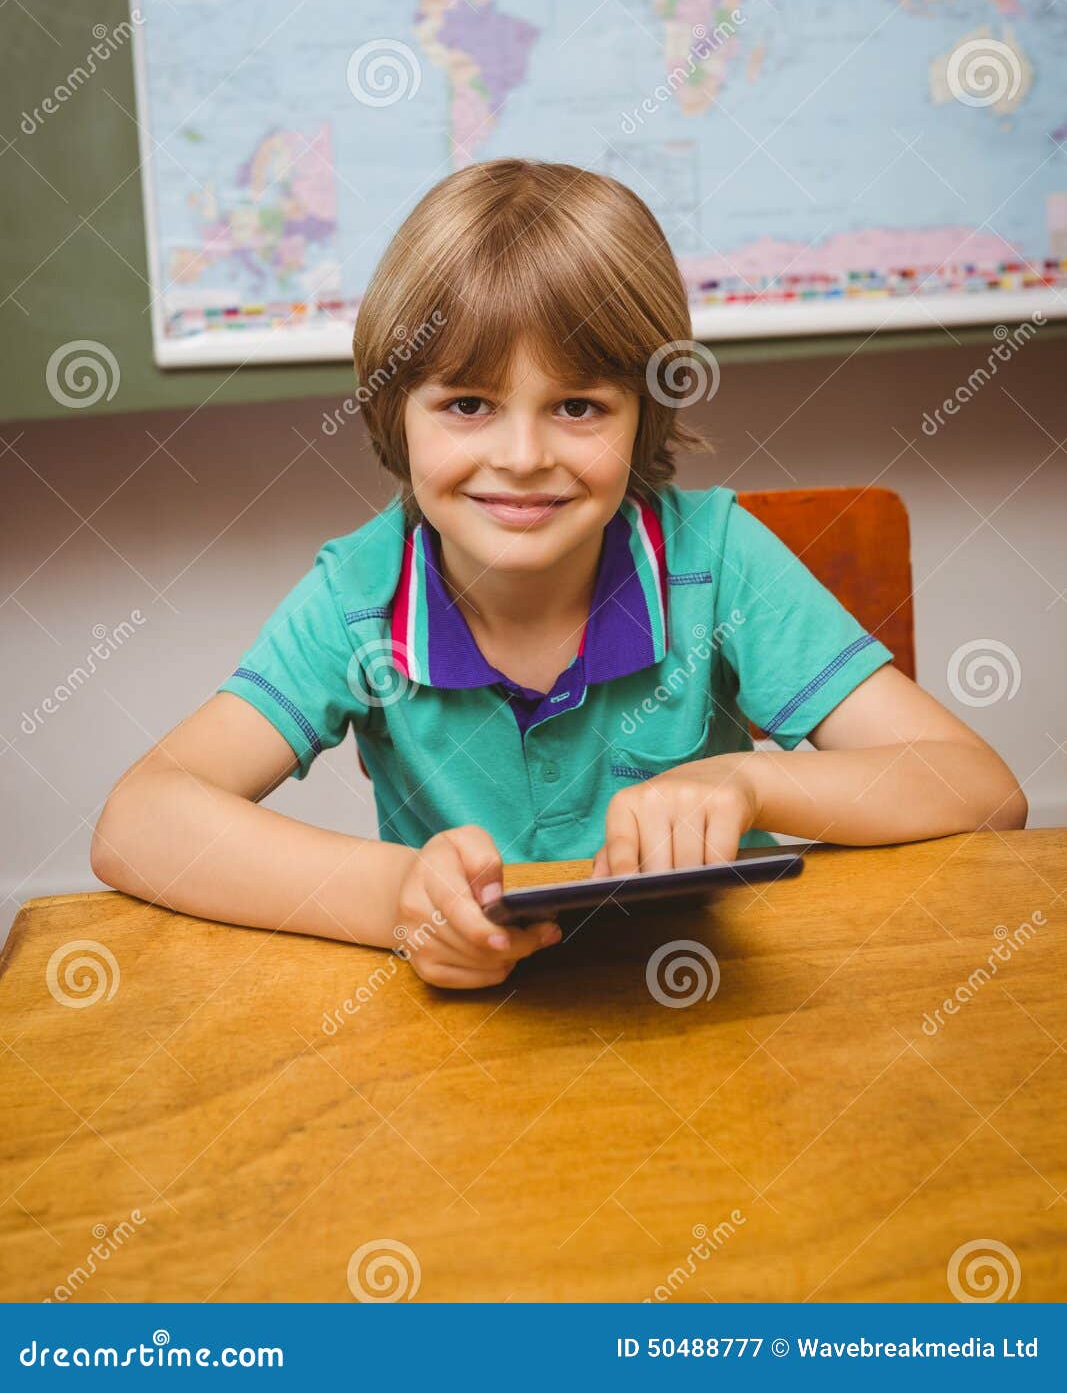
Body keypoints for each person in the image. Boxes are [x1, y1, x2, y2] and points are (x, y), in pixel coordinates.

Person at [91, 159, 1028, 987]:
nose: (523, 454)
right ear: (395, 413)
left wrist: (748, 785)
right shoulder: (358, 599)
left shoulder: (719, 559)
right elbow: (139, 822)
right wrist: (396, 903)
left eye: (578, 405)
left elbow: (977, 788)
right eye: (467, 403)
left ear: (643, 415)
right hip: (473, 1031)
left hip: (720, 1000)